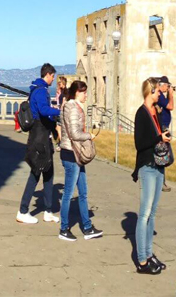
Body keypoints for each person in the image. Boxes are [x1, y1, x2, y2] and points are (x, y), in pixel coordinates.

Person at [133, 78, 171, 274]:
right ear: (151, 92)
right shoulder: (142, 113)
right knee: (145, 214)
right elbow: (140, 142)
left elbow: (155, 134)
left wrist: (162, 134)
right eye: (158, 92)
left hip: (158, 165)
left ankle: (149, 253)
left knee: (152, 214)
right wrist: (159, 137)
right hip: (147, 166)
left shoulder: (155, 112)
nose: (160, 95)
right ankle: (142, 260)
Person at [57, 80, 103, 241]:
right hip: (71, 154)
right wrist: (89, 136)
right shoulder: (72, 108)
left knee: (83, 193)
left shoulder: (72, 106)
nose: (86, 95)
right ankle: (64, 229)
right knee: (69, 194)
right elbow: (75, 133)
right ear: (77, 92)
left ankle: (87, 227)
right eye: (84, 92)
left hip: (74, 154)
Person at [16, 63, 61, 224]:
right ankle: (23, 211)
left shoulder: (35, 89)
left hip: (40, 138)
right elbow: (43, 110)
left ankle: (48, 211)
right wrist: (59, 110)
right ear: (48, 75)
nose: (53, 79)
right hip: (40, 139)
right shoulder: (41, 91)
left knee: (48, 174)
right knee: (36, 174)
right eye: (52, 76)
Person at [156, 77, 175, 192]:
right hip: (162, 128)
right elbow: (170, 106)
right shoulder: (160, 96)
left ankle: (161, 181)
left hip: (163, 127)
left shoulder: (162, 96)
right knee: (164, 155)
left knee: (163, 155)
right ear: (163, 85)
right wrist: (171, 95)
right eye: (167, 86)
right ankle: (160, 182)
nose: (168, 88)